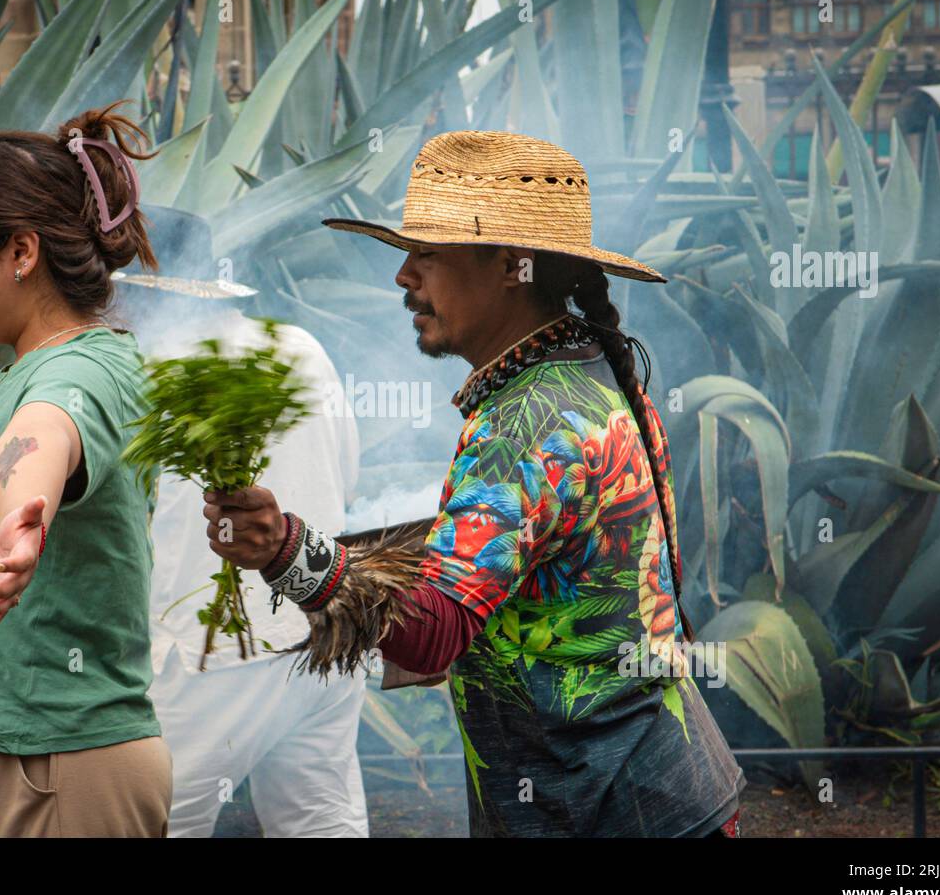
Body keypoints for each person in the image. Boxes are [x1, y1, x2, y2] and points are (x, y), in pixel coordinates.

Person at [199, 130, 746, 837]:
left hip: (607, 810)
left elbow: (431, 636)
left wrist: (285, 551)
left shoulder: (525, 420)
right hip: (659, 795)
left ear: (510, 267)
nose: (403, 277)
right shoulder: (585, 371)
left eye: (426, 253)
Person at [0, 102, 171, 837]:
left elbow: (46, 434)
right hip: (16, 764)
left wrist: (25, 513)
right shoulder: (28, 369)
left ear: (21, 252)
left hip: (51, 768)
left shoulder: (89, 366)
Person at [112, 208, 369, 837]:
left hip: (215, 660)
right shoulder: (298, 346)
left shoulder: (152, 372)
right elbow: (348, 474)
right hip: (328, 635)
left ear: (137, 293)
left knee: (159, 825)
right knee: (321, 822)